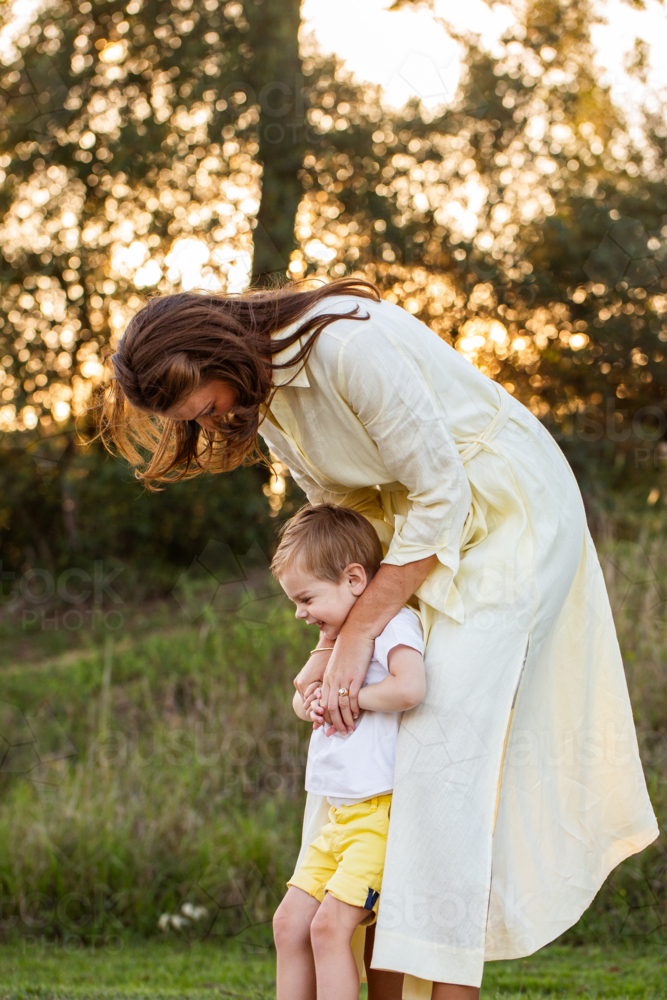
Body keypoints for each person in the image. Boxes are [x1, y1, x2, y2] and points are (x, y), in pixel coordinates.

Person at [100, 277, 658, 999]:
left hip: (501, 514)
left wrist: (364, 626)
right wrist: (331, 645)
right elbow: (336, 511)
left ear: (219, 354)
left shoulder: (346, 344)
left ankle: (445, 982)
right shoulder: (264, 397)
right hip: (406, 534)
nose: (219, 420)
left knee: (438, 735)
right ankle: (375, 974)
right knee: (376, 740)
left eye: (208, 405)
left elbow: (442, 492)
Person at [270, 502, 425, 1000]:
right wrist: (320, 676)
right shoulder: (335, 639)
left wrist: (350, 697)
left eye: (307, 598)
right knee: (289, 922)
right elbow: (300, 700)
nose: (299, 612)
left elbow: (409, 689)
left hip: (377, 818)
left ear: (355, 578)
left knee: (329, 929)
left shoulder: (393, 626)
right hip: (337, 820)